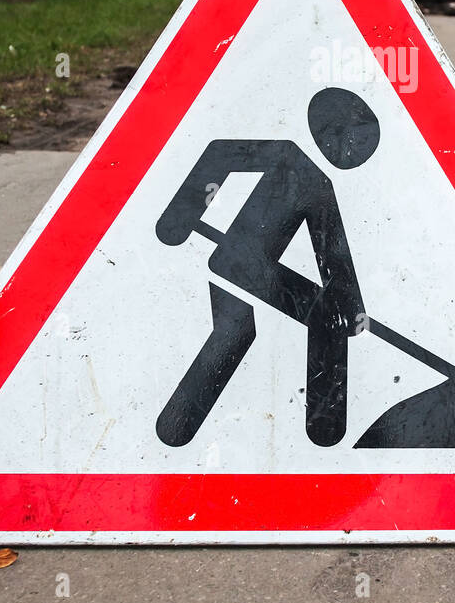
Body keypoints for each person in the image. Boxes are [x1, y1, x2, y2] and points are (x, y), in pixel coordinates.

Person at [154, 88, 380, 449]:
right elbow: (219, 155)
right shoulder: (288, 157)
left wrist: (352, 308)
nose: (352, 152)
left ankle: (176, 430)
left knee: (238, 332)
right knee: (303, 320)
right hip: (241, 261)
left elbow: (332, 257)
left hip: (249, 266)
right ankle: (324, 426)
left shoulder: (319, 184)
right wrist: (177, 221)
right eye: (351, 140)